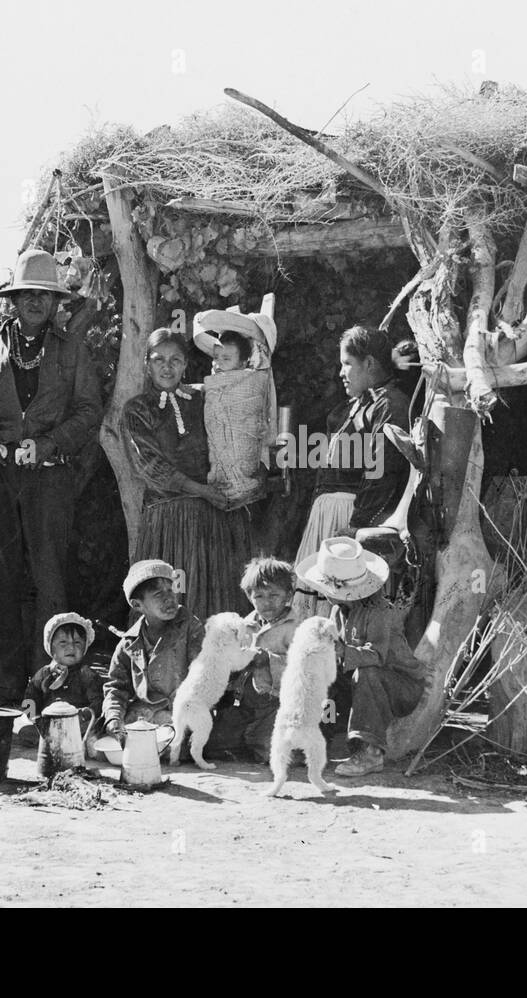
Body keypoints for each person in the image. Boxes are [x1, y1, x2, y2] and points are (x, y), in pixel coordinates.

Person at [0, 249, 102, 709]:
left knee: (49, 577)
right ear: (13, 299)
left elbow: (89, 410)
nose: (36, 302)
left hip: (50, 480)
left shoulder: (71, 349)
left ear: (55, 302)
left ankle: (47, 683)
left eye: (45, 295)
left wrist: (51, 444)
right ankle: (6, 681)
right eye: (27, 294)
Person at [120, 327, 254, 619]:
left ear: (185, 364)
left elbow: (234, 435)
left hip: (214, 519)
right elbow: (151, 468)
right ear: (147, 364)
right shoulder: (137, 410)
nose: (167, 367)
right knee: (173, 599)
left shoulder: (205, 398)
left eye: (175, 360)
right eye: (159, 360)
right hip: (169, 520)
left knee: (218, 602)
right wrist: (201, 489)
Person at [292, 325, 412, 619]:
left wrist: (357, 527)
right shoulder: (357, 406)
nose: (341, 373)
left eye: (348, 364)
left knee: (343, 606)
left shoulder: (389, 404)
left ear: (369, 363)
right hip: (329, 515)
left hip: (351, 514)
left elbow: (381, 472)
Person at [296, 535, 424, 777]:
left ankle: (370, 753)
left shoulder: (380, 611)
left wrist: (342, 651)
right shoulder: (339, 609)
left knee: (367, 674)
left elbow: (376, 656)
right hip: (360, 678)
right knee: (324, 679)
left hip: (400, 685)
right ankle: (319, 738)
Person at [208, 555, 300, 763]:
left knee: (275, 753)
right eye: (259, 596)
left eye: (274, 595)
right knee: (213, 744)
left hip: (277, 702)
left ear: (288, 596)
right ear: (249, 596)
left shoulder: (295, 628)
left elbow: (302, 670)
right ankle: (245, 739)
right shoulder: (245, 624)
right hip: (245, 701)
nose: (267, 602)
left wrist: (268, 659)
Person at [102, 560, 205, 743]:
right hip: (144, 715)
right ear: (137, 605)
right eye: (158, 594)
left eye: (171, 590)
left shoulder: (190, 627)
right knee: (101, 741)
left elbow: (201, 675)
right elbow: (117, 687)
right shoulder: (129, 643)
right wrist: (114, 718)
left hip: (183, 711)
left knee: (177, 742)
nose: (169, 598)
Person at [193, 306, 280, 507]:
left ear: (242, 363)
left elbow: (252, 412)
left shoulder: (252, 382)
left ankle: (238, 480)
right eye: (215, 358)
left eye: (226, 359)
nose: (217, 364)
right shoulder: (213, 385)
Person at [23, 612, 103, 743]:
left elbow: (98, 702)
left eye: (77, 643)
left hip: (76, 723)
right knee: (25, 731)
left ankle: (65, 741)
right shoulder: (44, 673)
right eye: (63, 642)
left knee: (91, 730)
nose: (71, 647)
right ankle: (53, 739)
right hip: (49, 722)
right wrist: (32, 717)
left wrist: (84, 714)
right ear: (50, 646)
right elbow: (30, 697)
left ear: (85, 647)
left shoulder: (86, 674)